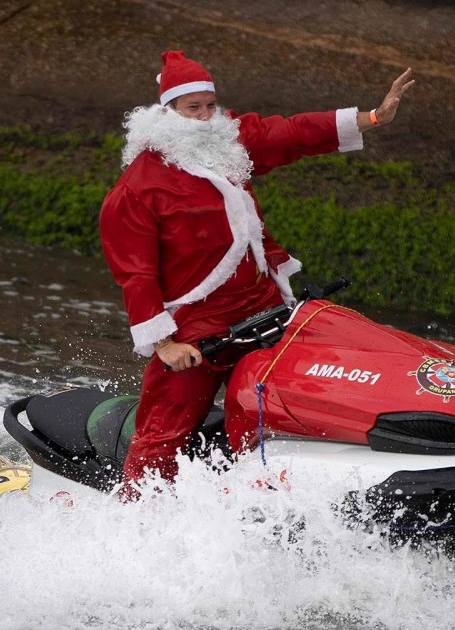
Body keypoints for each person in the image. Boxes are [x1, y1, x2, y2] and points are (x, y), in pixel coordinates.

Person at [99, 50, 414, 499]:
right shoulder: (138, 188)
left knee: (296, 397)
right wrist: (166, 344)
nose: (207, 117)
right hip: (196, 328)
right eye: (195, 108)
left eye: (211, 105)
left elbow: (291, 133)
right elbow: (135, 273)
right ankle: (135, 518)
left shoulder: (229, 142)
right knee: (163, 431)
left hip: (262, 306)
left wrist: (373, 117)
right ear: (167, 111)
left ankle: (274, 496)